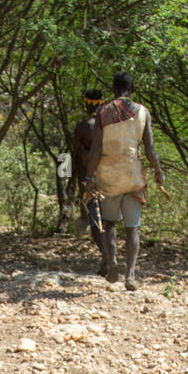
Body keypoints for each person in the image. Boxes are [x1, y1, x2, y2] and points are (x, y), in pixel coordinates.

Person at [83, 70, 169, 291]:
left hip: (108, 175)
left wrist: (89, 177)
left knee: (110, 223)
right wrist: (158, 172)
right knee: (132, 228)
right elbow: (150, 147)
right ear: (132, 90)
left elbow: (95, 150)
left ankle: (112, 262)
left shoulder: (102, 111)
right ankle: (131, 274)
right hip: (133, 175)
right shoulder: (143, 112)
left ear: (113, 89)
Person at [69, 89, 107, 274]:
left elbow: (75, 155)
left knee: (95, 221)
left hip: (90, 179)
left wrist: (71, 179)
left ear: (86, 104)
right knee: (110, 221)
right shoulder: (110, 126)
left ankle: (107, 256)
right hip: (112, 178)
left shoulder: (83, 127)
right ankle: (110, 257)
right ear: (102, 103)